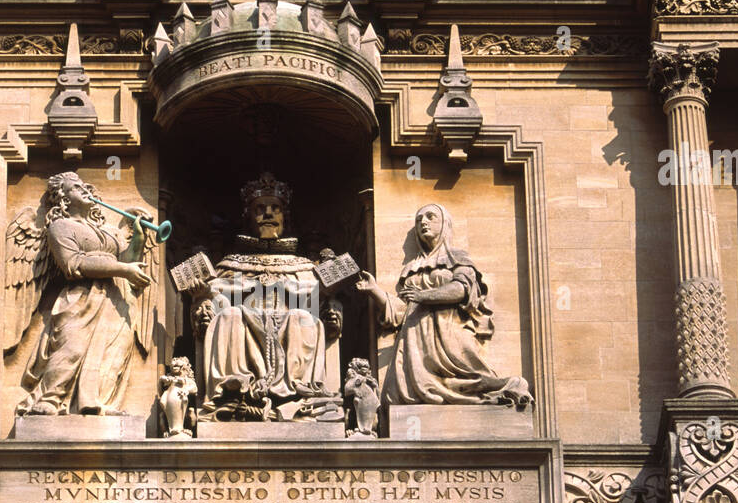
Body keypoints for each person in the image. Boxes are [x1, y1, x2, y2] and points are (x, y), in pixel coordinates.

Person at [185, 174, 341, 421]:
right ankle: (234, 387)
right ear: (248, 216)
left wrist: (328, 297)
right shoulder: (230, 264)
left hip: (290, 324)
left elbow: (315, 302)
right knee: (229, 316)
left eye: (275, 208)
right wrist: (203, 295)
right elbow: (218, 300)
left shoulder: (302, 266)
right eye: (260, 208)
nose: (268, 214)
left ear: (285, 216)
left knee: (303, 319)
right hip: (245, 324)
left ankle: (299, 393)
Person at [356, 203, 533, 407]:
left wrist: (423, 296)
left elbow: (462, 290)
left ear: (445, 224)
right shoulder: (411, 267)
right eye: (419, 219)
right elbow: (402, 310)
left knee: (470, 379)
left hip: (449, 333)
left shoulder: (457, 257)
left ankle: (508, 388)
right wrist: (374, 290)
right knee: (395, 395)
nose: (423, 222)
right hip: (415, 339)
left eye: (430, 217)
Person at [17, 172, 153, 416]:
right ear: (64, 198)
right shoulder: (60, 227)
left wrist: (137, 239)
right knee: (72, 347)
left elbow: (129, 261)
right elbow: (73, 264)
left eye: (84, 186)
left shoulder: (108, 231)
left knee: (113, 353)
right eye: (76, 187)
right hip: (81, 299)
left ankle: (99, 402)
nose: (84, 189)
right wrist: (123, 269)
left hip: (116, 299)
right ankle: (51, 398)